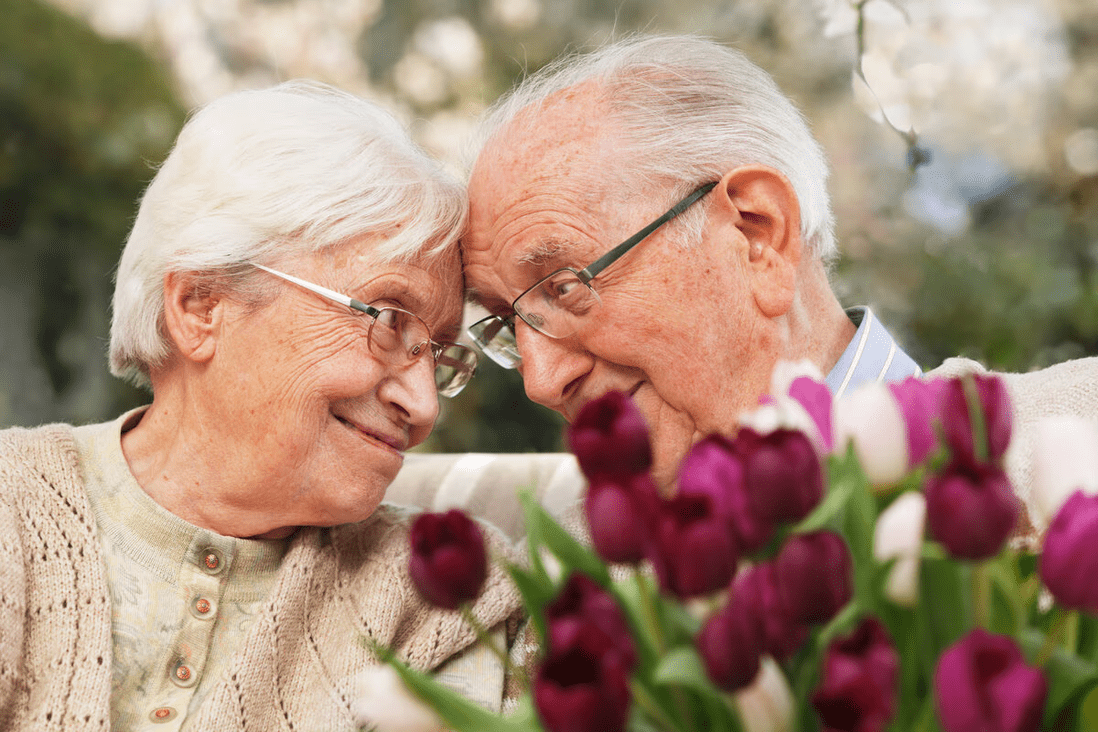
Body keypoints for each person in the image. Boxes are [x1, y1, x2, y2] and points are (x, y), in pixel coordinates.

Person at [386, 34, 1098, 542]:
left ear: (758, 235)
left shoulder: (1071, 441)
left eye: (565, 288)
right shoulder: (567, 582)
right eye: (509, 325)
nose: (541, 381)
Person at [0, 81, 521, 731]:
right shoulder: (12, 510)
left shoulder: (447, 593)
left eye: (438, 355)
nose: (422, 406)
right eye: (387, 320)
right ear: (201, 306)